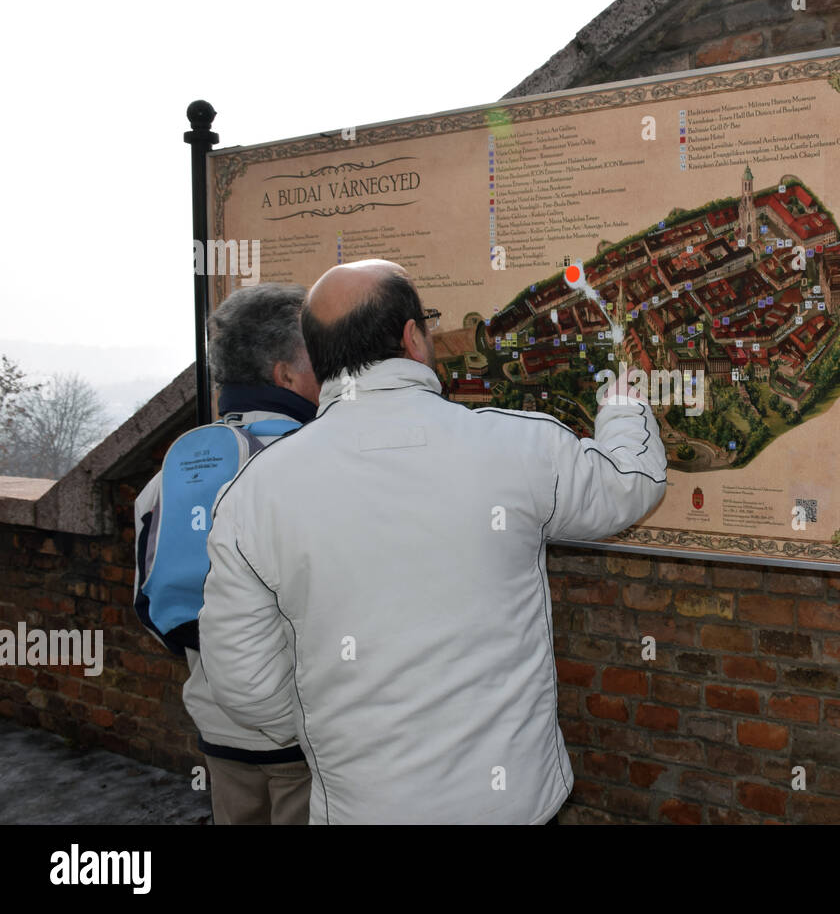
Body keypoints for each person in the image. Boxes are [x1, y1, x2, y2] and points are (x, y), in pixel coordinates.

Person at [199, 259, 666, 824]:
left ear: (320, 360)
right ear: (412, 337)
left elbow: (243, 682)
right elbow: (629, 483)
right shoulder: (516, 448)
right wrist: (620, 405)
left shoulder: (253, 496)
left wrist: (330, 725)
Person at [132, 283, 318, 824]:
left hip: (218, 730)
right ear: (284, 375)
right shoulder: (314, 464)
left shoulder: (170, 474)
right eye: (318, 361)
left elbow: (155, 604)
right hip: (304, 731)